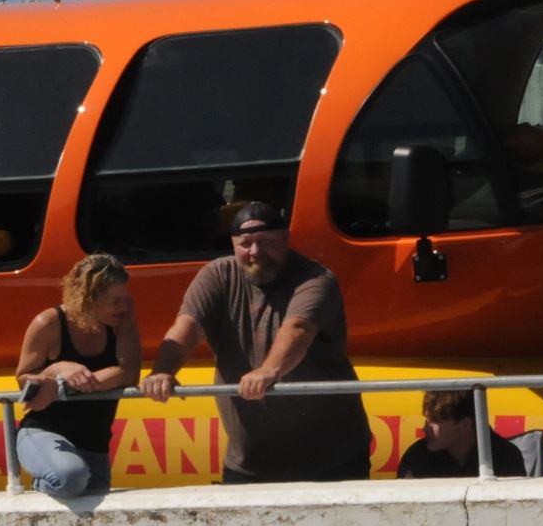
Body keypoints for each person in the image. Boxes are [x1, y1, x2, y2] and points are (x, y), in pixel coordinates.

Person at [141, 200, 371, 483]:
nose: (256, 252)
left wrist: (268, 370)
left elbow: (298, 328)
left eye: (266, 242)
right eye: (245, 243)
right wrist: (163, 370)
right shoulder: (216, 275)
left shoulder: (316, 278)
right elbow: (187, 325)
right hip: (248, 465)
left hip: (332, 462)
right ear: (233, 244)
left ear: (286, 239)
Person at [13, 254, 139, 499]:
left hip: (95, 444)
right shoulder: (48, 323)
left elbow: (129, 373)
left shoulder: (121, 320)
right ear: (89, 298)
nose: (123, 306)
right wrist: (58, 368)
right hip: (45, 432)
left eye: (125, 298)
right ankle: (38, 489)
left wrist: (68, 385)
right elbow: (22, 378)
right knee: (69, 478)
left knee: (93, 504)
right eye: (115, 301)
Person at [397, 388, 528, 479]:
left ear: (465, 424)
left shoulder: (506, 457)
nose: (424, 428)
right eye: (426, 420)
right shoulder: (416, 457)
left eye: (435, 421)